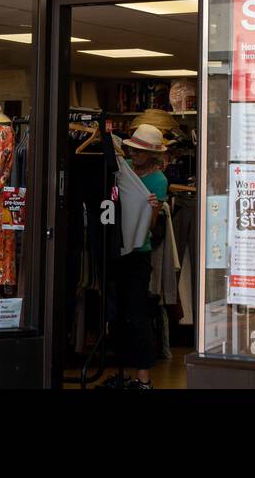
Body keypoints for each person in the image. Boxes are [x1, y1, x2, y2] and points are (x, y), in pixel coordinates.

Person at [112, 123, 170, 390]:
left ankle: (143, 377)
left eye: (140, 151)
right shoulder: (123, 169)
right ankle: (123, 371)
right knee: (117, 314)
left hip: (138, 251)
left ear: (154, 155)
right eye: (132, 150)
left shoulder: (158, 180)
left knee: (137, 313)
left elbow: (150, 223)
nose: (134, 154)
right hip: (117, 247)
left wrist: (153, 209)